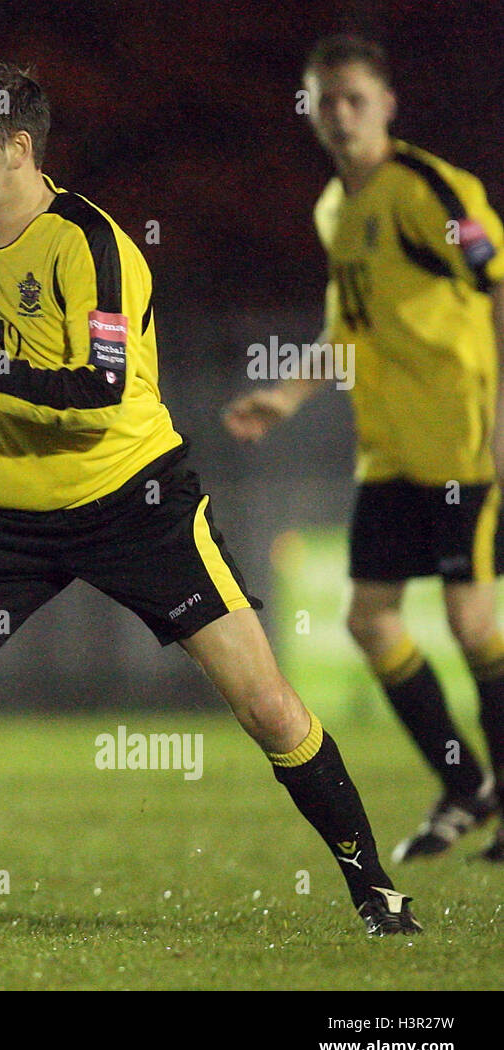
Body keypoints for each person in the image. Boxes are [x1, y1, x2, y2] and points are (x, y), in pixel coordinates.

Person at [0, 59, 420, 936]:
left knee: (268, 705)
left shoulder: (92, 243)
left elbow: (98, 392)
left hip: (134, 500)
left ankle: (374, 886)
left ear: (19, 149)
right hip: (9, 507)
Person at [225, 35, 504, 863]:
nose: (339, 114)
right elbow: (347, 330)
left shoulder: (432, 189)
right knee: (372, 619)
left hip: (462, 443)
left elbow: (497, 288)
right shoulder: (333, 209)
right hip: (389, 454)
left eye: (354, 98)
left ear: (386, 104)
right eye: (323, 100)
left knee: (469, 615)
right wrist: (286, 394)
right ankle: (465, 786)